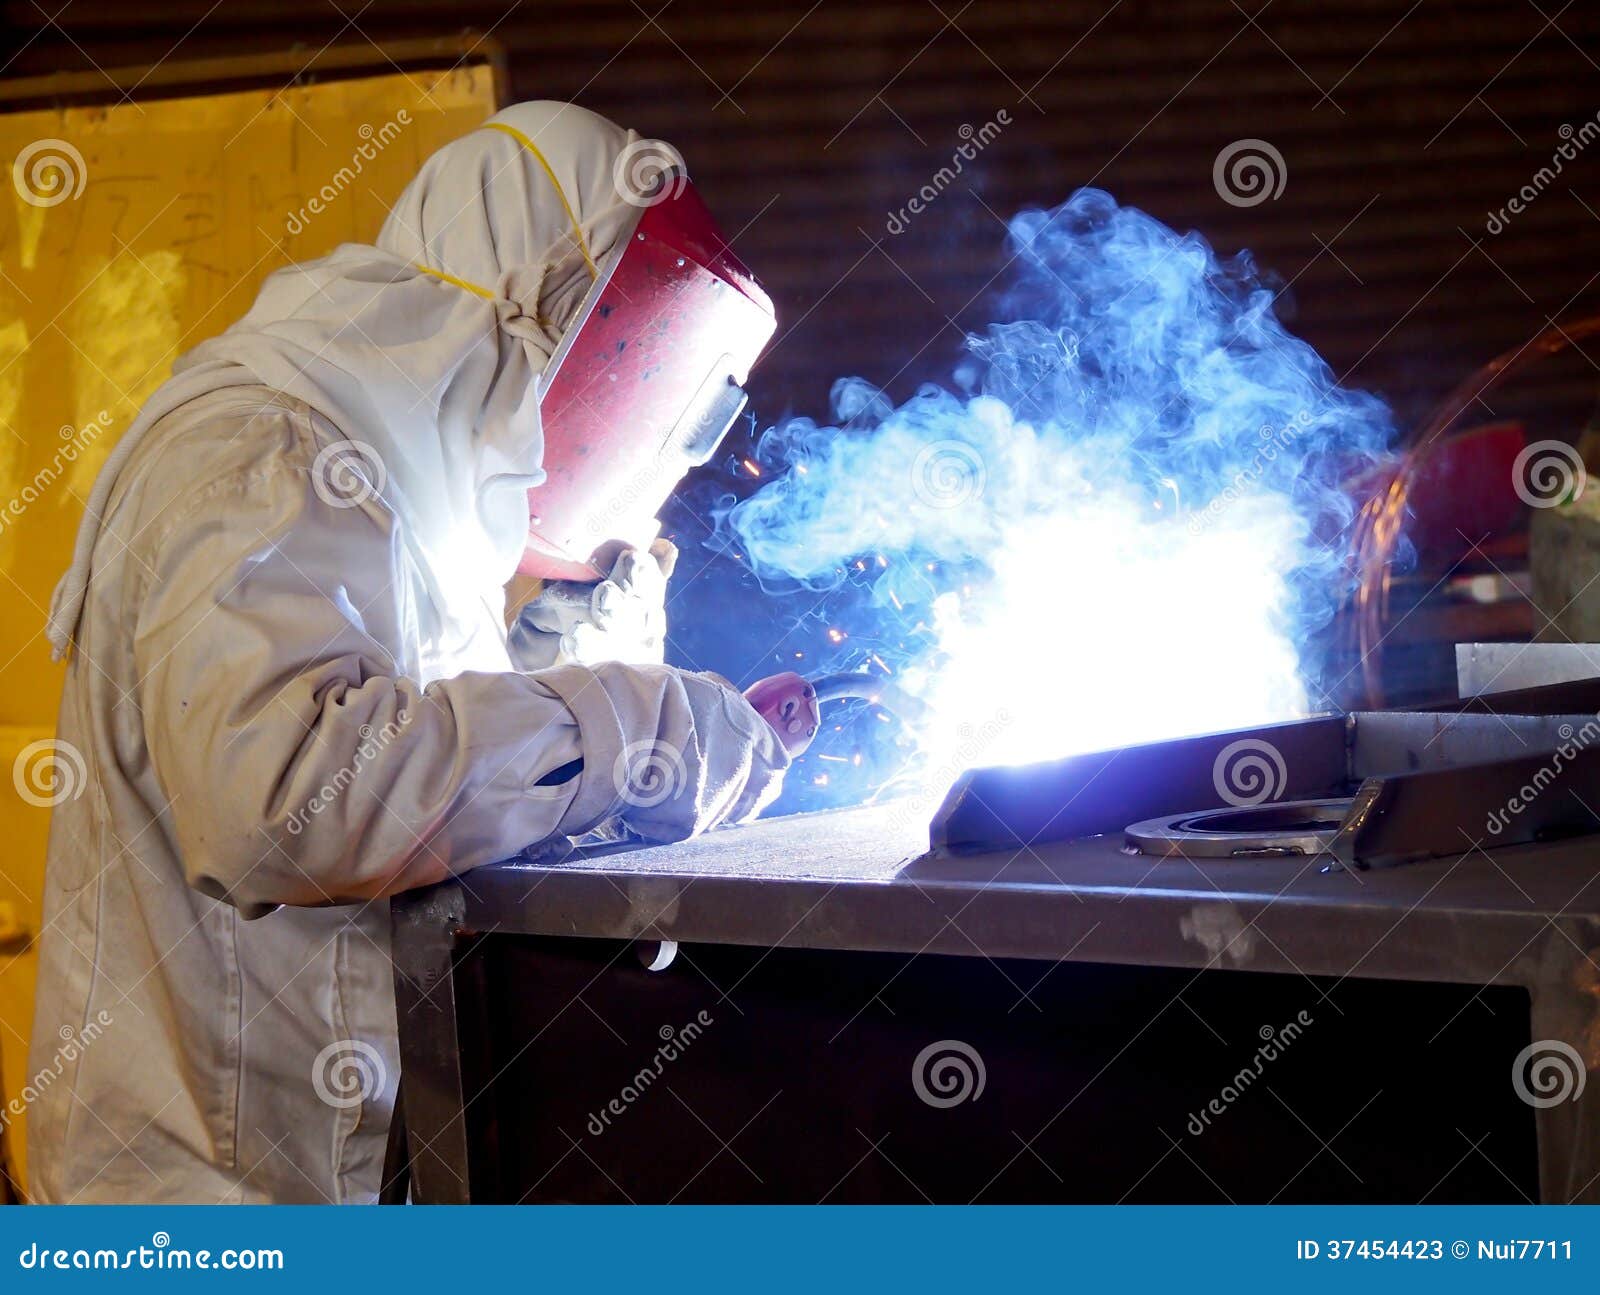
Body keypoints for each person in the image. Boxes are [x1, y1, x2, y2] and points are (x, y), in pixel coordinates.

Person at [27, 101, 790, 1204]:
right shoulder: (263, 446)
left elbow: (410, 770)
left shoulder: (382, 474)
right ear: (539, 311)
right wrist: (628, 724)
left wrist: (559, 657)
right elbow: (288, 798)